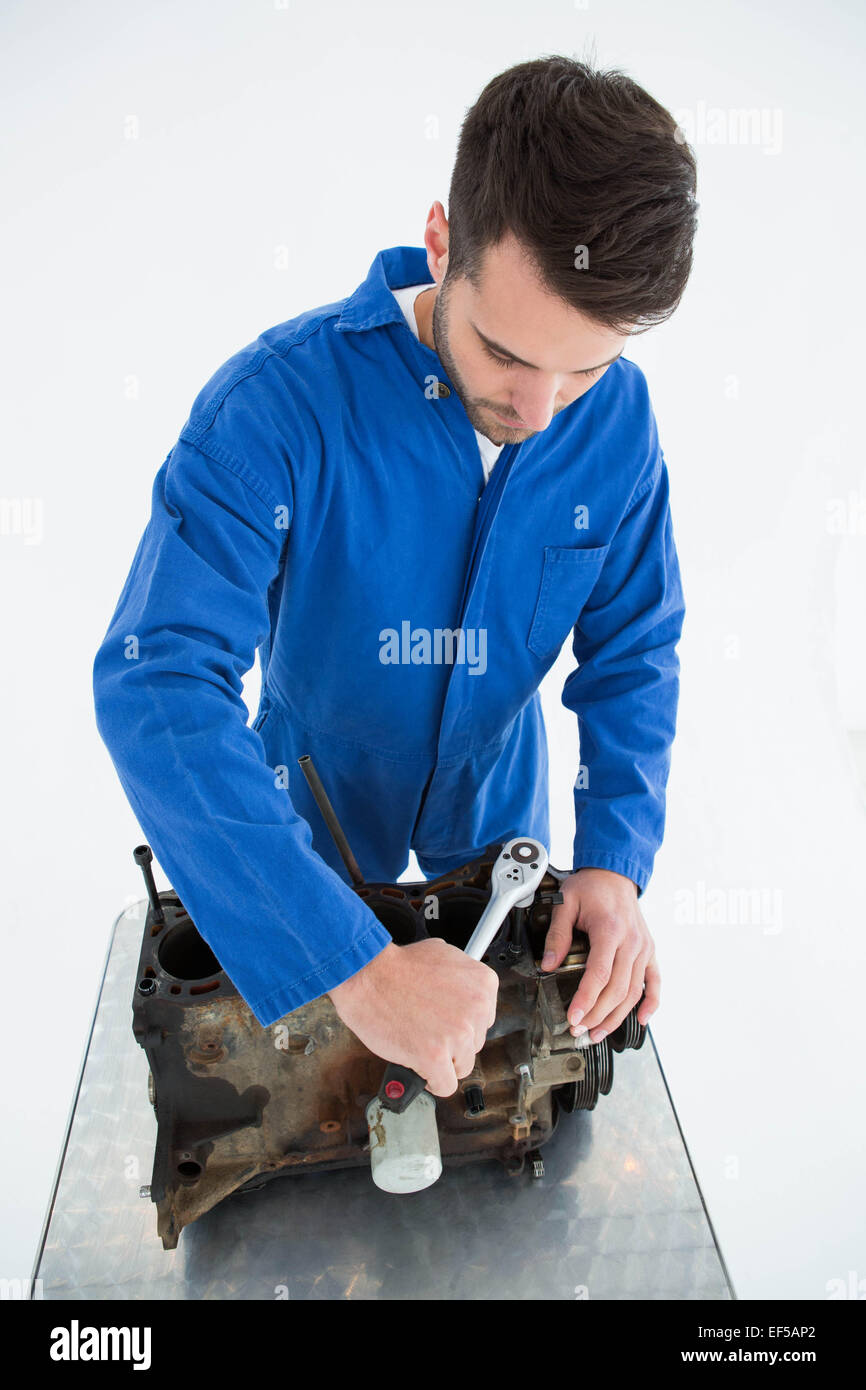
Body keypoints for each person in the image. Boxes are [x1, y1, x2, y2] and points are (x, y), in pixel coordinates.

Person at [93, 55, 697, 1101]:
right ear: (440, 242)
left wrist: (610, 859)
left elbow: (632, 646)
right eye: (506, 352)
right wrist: (347, 962)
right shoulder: (271, 412)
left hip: (499, 815)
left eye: (583, 368)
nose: (542, 409)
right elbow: (157, 684)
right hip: (302, 807)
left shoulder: (619, 422)